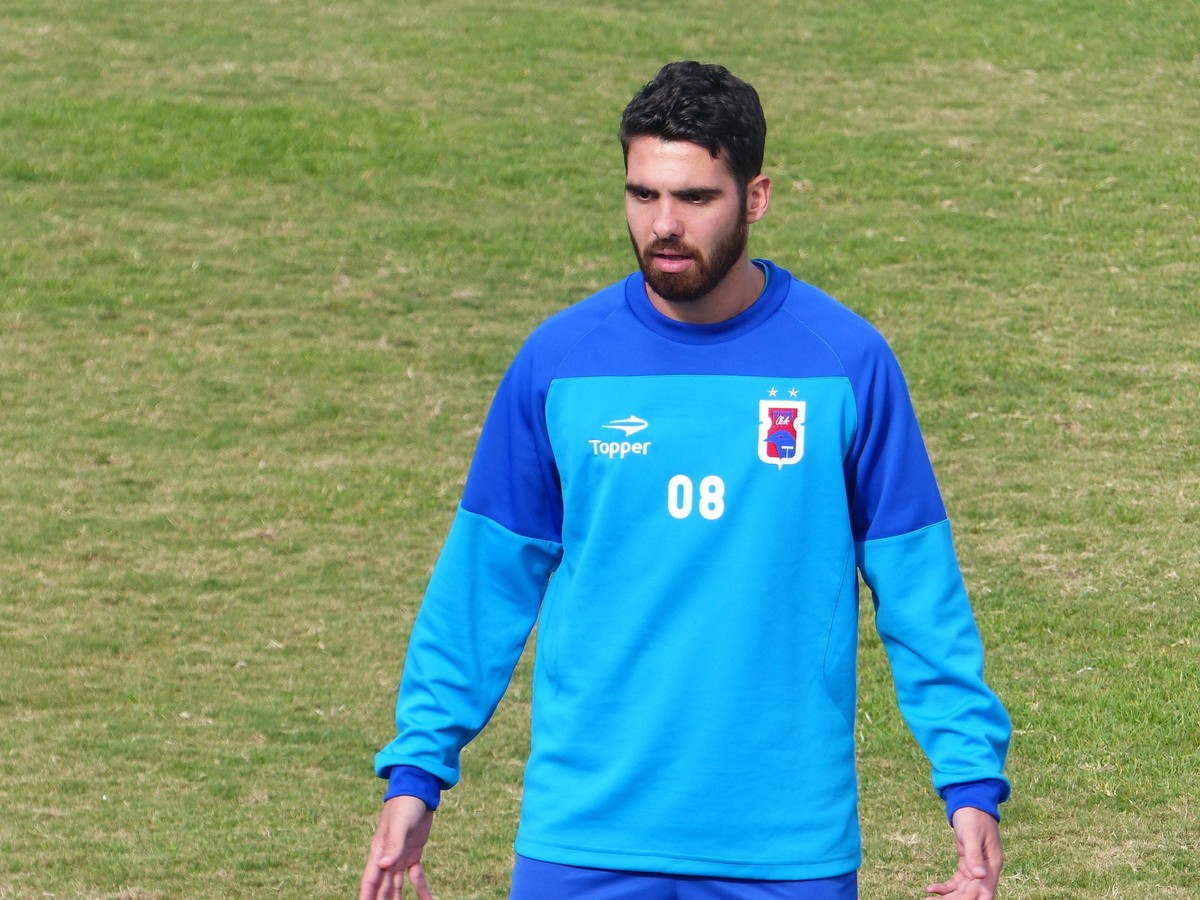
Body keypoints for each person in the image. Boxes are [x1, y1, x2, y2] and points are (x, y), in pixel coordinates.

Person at [360, 61, 1011, 900]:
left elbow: (920, 591)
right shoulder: (559, 365)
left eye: (696, 198)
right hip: (584, 837)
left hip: (783, 848)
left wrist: (967, 780)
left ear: (757, 196)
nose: (663, 224)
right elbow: (482, 583)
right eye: (642, 195)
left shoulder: (846, 365)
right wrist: (418, 767)